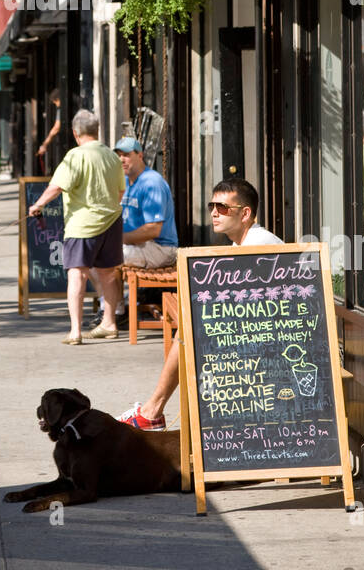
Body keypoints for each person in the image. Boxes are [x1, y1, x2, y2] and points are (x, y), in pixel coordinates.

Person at [119, 177, 281, 429]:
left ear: (245, 213)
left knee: (187, 334)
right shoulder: (242, 242)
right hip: (258, 333)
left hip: (274, 342)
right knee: (189, 330)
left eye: (223, 208)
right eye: (212, 207)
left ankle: (153, 413)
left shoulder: (258, 245)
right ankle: (153, 412)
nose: (215, 213)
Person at [29, 109, 125, 345]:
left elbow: (57, 186)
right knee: (108, 274)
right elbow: (121, 191)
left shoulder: (75, 156)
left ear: (75, 133)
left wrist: (37, 205)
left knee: (77, 274)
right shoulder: (112, 157)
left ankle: (75, 331)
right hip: (112, 221)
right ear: (97, 130)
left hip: (82, 225)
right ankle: (110, 323)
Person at [89, 136, 179, 329]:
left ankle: (113, 313)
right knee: (88, 255)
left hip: (161, 248)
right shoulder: (125, 181)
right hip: (135, 246)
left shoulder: (151, 182)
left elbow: (153, 230)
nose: (122, 160)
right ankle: (115, 309)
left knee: (106, 256)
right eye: (118, 155)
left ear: (140, 155)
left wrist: (115, 240)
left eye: (127, 155)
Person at [37, 89, 61, 170]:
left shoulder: (61, 109)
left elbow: (56, 127)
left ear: (58, 99)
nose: (56, 105)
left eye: (55, 103)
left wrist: (45, 144)